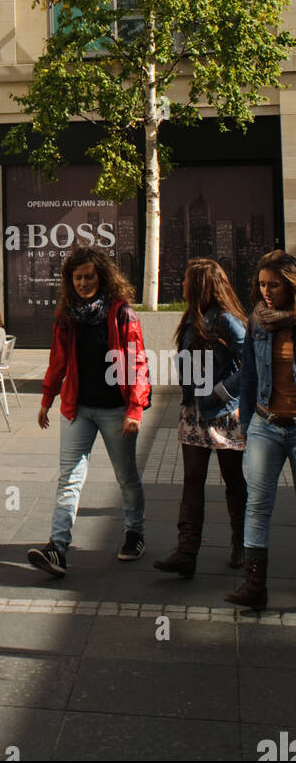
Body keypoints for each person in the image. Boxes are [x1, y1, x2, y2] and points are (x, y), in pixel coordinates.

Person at [28, 247, 150, 578]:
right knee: (69, 477)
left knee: (126, 475)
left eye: (88, 276)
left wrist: (136, 408)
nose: (82, 282)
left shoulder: (121, 312)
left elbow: (137, 362)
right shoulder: (67, 314)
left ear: (102, 276)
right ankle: (57, 547)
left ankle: (134, 533)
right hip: (77, 407)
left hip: (115, 409)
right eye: (77, 277)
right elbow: (58, 358)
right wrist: (47, 398)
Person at [154, 259, 246, 579]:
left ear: (202, 285)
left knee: (232, 478)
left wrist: (222, 392)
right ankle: (187, 552)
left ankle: (241, 543)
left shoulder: (226, 320)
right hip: (194, 412)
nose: (182, 285)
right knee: (192, 479)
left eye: (186, 281)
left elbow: (251, 362)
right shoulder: (193, 318)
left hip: (222, 414)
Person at [225, 249, 296, 612]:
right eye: (262, 285)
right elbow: (249, 376)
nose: (267, 292)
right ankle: (255, 586)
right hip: (266, 424)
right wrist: (247, 424)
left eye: (276, 285)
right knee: (257, 504)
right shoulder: (257, 320)